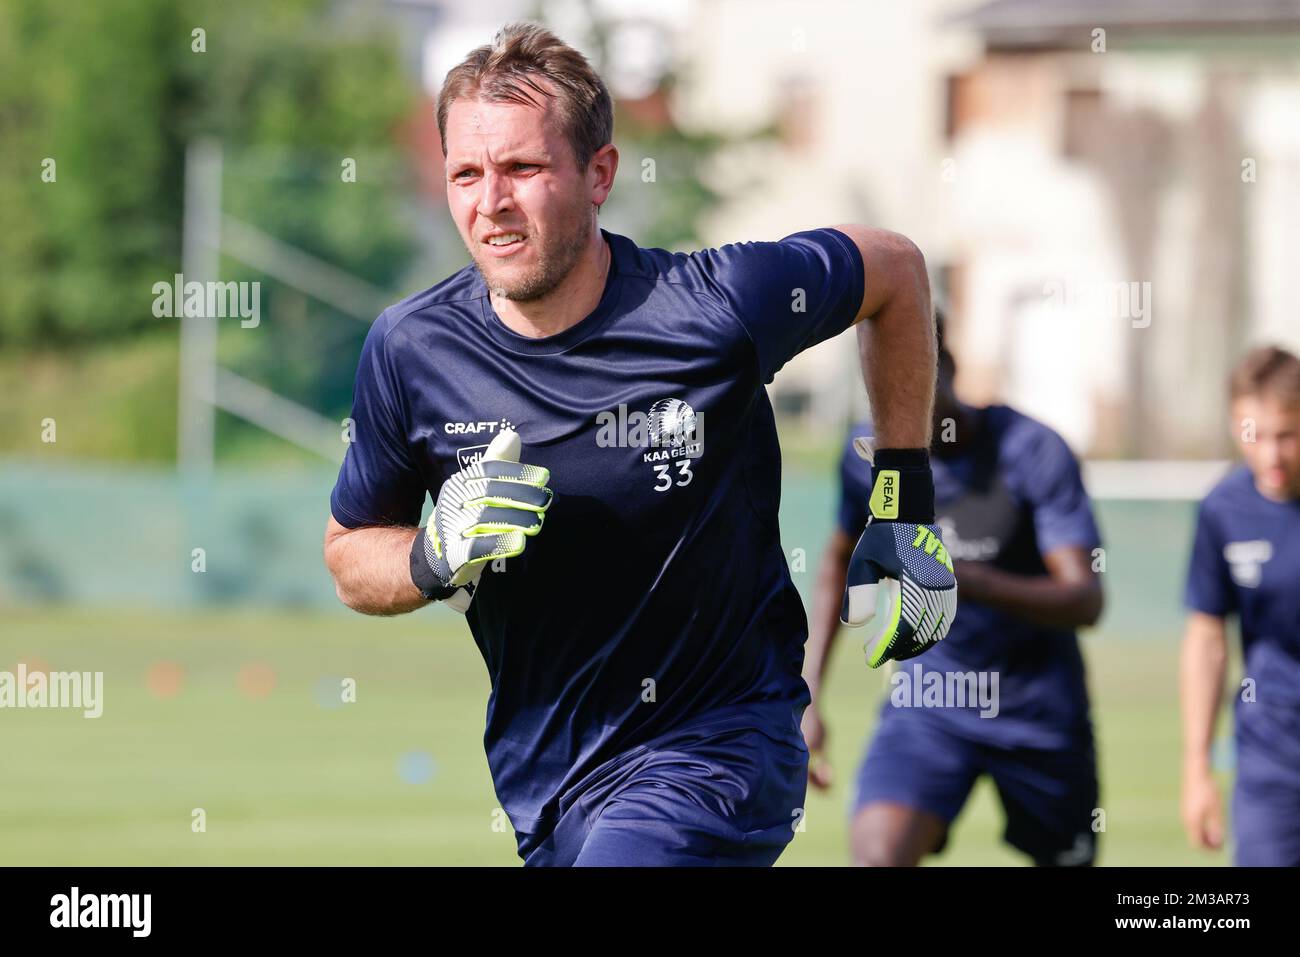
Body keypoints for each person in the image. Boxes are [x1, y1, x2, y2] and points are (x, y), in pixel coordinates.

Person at [322, 22, 954, 866]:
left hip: (723, 746)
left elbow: (896, 271)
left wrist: (902, 502)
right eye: (466, 173)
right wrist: (431, 555)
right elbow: (349, 553)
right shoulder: (409, 349)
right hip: (548, 778)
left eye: (523, 168)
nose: (490, 201)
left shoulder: (717, 306)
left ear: (600, 174)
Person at [803, 311, 1105, 866]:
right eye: (877, 385)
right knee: (877, 857)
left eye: (907, 377)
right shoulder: (865, 458)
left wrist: (965, 580)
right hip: (931, 701)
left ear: (947, 367)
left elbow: (1085, 600)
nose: (892, 400)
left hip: (1037, 707)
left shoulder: (1031, 449)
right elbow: (838, 563)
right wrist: (809, 694)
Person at [1181, 345, 1300, 866]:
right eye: (1256, 436)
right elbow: (1207, 640)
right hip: (1270, 751)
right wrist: (1197, 769)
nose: (1271, 455)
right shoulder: (1223, 510)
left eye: (1287, 436)